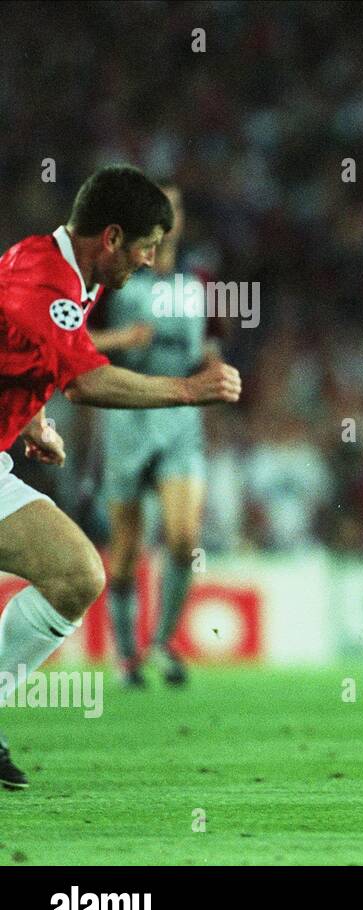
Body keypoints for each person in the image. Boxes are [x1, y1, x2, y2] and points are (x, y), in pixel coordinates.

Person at [0, 166, 241, 789]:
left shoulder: (58, 273)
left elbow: (24, 353)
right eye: (144, 246)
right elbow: (87, 380)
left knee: (78, 574)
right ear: (111, 237)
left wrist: (28, 419)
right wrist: (187, 389)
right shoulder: (49, 283)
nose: (149, 259)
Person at [89, 184, 223, 687]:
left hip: (180, 416)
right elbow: (75, 340)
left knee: (184, 537)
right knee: (125, 547)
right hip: (125, 412)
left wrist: (216, 371)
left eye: (177, 207)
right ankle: (127, 658)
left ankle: (164, 643)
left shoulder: (199, 281)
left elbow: (210, 345)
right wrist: (124, 338)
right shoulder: (114, 277)